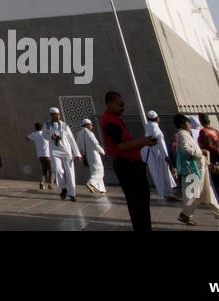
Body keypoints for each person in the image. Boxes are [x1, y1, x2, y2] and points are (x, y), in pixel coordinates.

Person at [100, 90, 158, 231]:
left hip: (131, 164)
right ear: (109, 103)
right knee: (138, 203)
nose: (122, 107)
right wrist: (142, 142)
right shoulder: (110, 121)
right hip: (127, 165)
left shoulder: (115, 120)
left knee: (141, 203)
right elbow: (121, 146)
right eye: (120, 104)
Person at [174, 114, 219, 227]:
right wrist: (200, 152)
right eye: (188, 123)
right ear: (182, 124)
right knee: (192, 194)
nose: (189, 125)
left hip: (200, 168)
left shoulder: (185, 134)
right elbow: (186, 150)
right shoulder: (182, 134)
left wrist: (201, 151)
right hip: (194, 169)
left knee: (208, 194)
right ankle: (185, 214)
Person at [46, 107, 82, 200]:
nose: (57, 116)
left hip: (66, 151)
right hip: (54, 151)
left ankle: (72, 194)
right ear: (51, 115)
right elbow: (44, 135)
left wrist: (77, 153)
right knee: (58, 170)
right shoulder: (47, 125)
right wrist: (51, 136)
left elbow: (71, 139)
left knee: (70, 173)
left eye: (58, 114)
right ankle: (64, 188)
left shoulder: (65, 125)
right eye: (55, 114)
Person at [142, 110, 178, 201]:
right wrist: (166, 156)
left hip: (152, 154)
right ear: (157, 118)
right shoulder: (155, 128)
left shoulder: (148, 126)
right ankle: (167, 194)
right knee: (163, 173)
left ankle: (166, 194)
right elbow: (161, 143)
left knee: (158, 174)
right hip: (158, 154)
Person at [76, 119, 107, 195]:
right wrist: (102, 151)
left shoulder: (79, 133)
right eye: (91, 125)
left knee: (94, 170)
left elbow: (78, 145)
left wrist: (82, 153)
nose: (91, 126)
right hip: (94, 154)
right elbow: (95, 144)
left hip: (87, 155)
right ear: (87, 125)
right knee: (99, 171)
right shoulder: (89, 133)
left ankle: (101, 189)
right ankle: (91, 183)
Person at [28, 121, 52, 190]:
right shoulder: (44, 134)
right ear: (42, 128)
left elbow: (27, 138)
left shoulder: (34, 134)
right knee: (51, 170)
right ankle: (50, 184)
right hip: (47, 155)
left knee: (44, 170)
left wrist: (35, 139)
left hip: (40, 155)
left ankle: (42, 182)